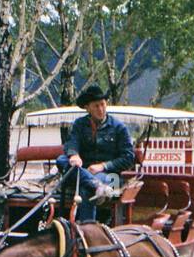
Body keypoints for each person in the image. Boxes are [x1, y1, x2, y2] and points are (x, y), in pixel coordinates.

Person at [56, 84, 135, 223]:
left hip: (111, 176)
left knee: (86, 189)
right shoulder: (79, 124)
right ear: (87, 108)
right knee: (61, 160)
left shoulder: (118, 128)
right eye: (96, 106)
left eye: (102, 104)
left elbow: (128, 158)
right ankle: (96, 184)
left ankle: (88, 229)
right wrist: (74, 155)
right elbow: (72, 142)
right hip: (83, 171)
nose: (100, 109)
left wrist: (103, 166)